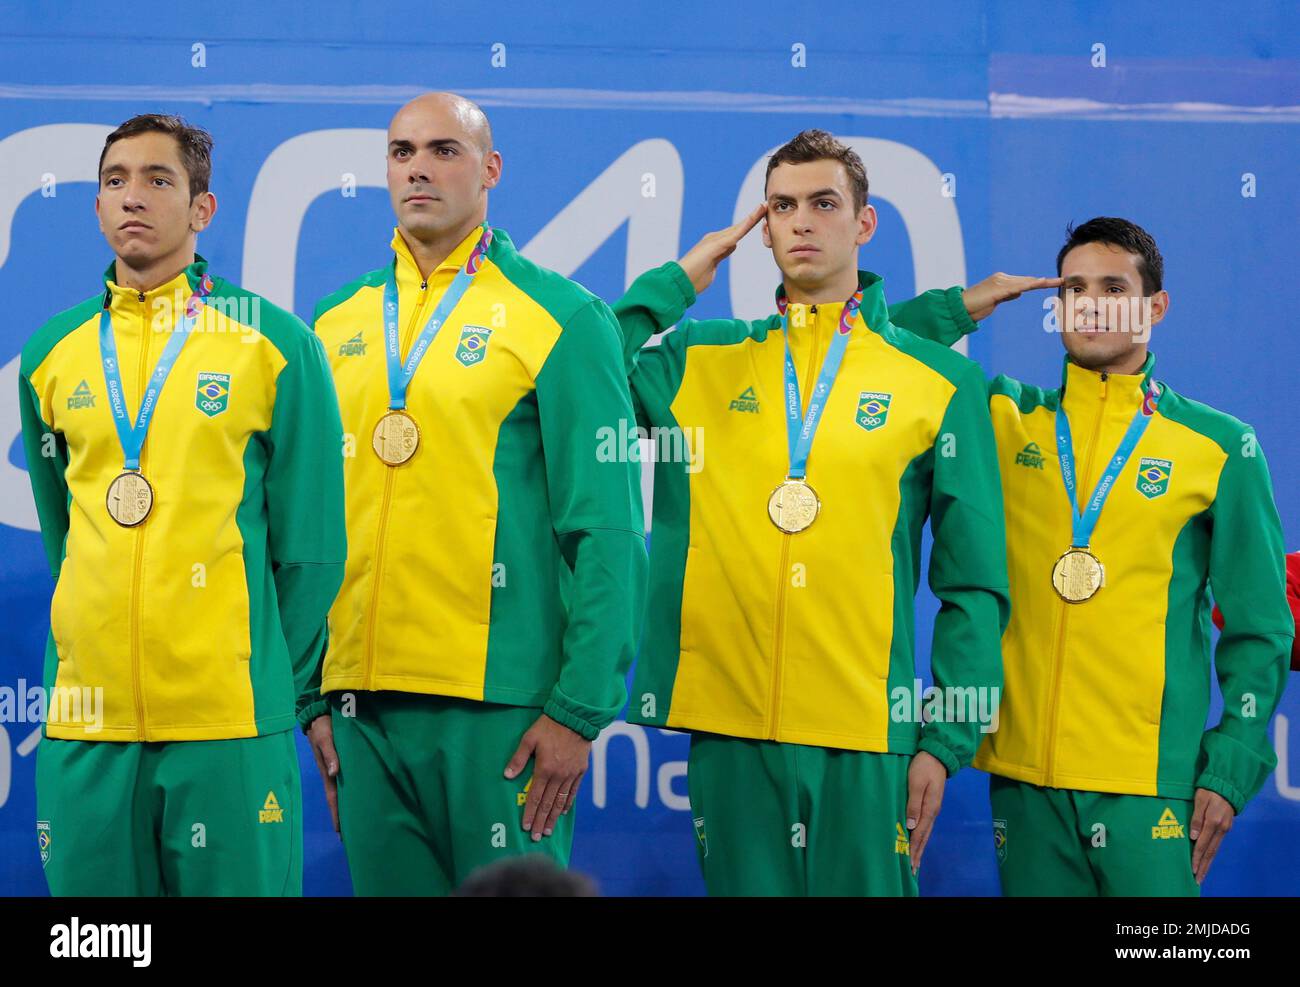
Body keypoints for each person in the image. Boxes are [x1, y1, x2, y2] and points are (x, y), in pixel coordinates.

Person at [611, 129, 1040, 895]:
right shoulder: (696, 361)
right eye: (782, 206)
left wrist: (944, 739)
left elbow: (974, 585)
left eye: (823, 203)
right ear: (762, 227)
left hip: (866, 734)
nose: (801, 221)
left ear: (864, 223)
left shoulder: (939, 381)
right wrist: (681, 278)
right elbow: (580, 373)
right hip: (729, 729)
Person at [300, 93, 646, 895]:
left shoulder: (563, 318)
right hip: (361, 704)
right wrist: (311, 691)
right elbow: (308, 524)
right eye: (401, 151)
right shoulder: (333, 321)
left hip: (505, 710)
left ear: (490, 170)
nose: (418, 166)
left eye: (444, 150)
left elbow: (608, 529)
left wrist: (580, 708)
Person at [905, 216, 1293, 895]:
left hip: (1148, 788)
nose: (1090, 302)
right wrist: (965, 303)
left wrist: (1232, 761)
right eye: (1074, 287)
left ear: (1156, 306)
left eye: (1114, 286)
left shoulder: (1220, 447)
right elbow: (882, 351)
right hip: (1025, 785)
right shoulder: (1002, 420)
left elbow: (1262, 627)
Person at [19, 114, 345, 895]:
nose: (133, 197)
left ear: (203, 209)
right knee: (103, 950)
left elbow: (313, 549)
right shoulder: (51, 355)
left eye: (159, 180)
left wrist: (249, 668)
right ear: (96, 207)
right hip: (85, 725)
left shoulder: (274, 344)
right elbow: (67, 539)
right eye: (115, 180)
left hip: (227, 723)